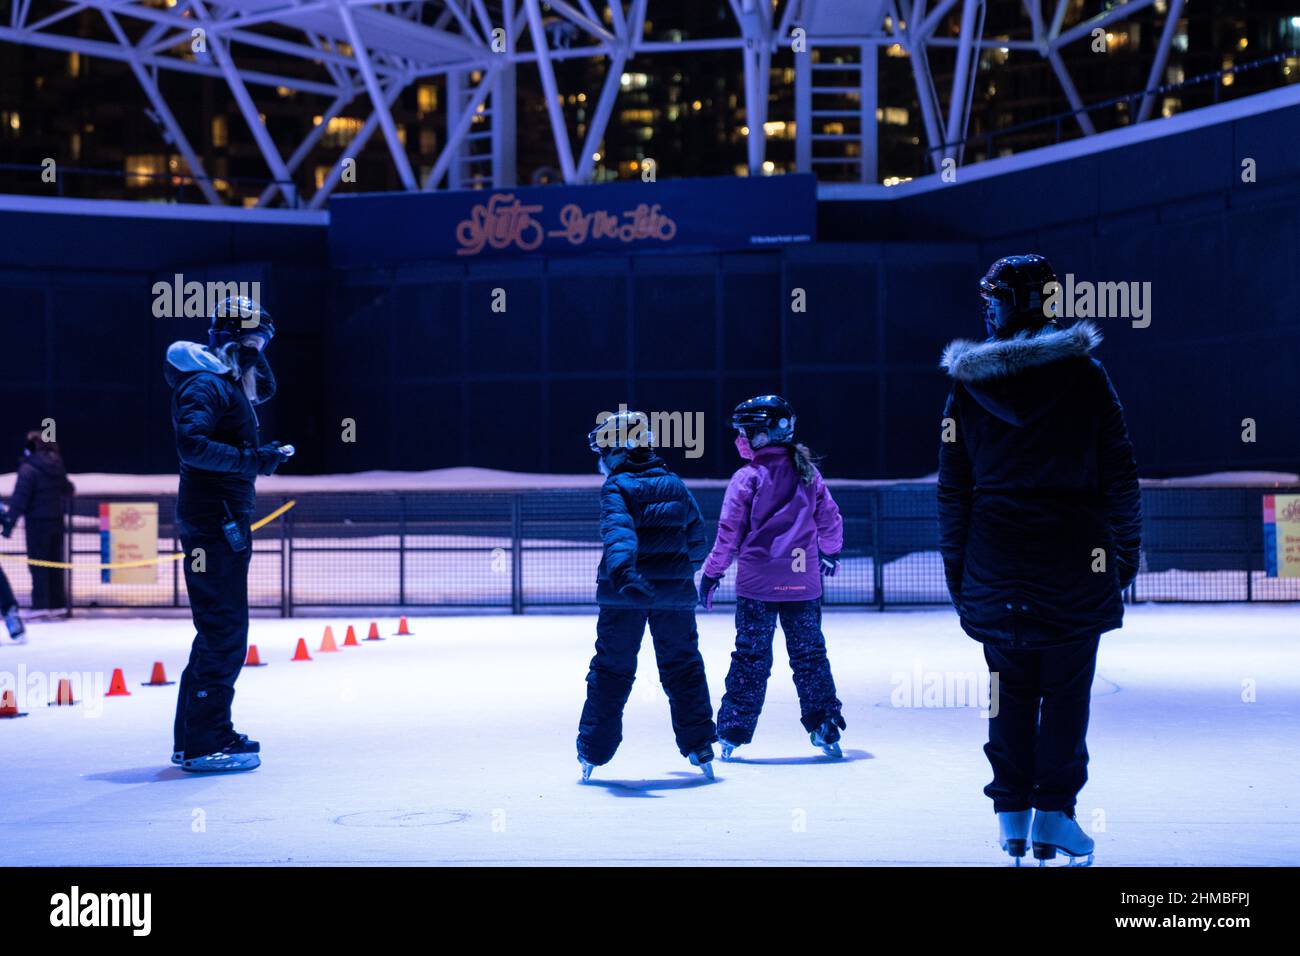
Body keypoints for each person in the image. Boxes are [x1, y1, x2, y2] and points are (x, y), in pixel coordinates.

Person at [937, 254, 1141, 866]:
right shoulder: (1087, 377)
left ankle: (1011, 820)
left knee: (1008, 692)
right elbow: (1120, 476)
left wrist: (962, 573)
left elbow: (953, 488)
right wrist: (1122, 560)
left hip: (995, 561)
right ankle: (1055, 816)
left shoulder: (966, 387)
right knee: (1066, 692)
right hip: (1077, 558)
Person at [165, 295, 291, 774]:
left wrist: (259, 455)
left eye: (265, 341)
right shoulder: (204, 383)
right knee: (224, 633)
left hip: (220, 520)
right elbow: (193, 445)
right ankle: (204, 740)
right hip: (212, 523)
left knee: (219, 631)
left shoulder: (221, 381)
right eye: (254, 340)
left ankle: (197, 734)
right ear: (232, 338)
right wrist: (252, 461)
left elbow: (252, 404)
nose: (260, 350)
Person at [698, 395, 846, 760]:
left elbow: (728, 534)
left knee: (750, 657)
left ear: (763, 436)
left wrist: (711, 573)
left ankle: (732, 730)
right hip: (803, 585)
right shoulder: (808, 473)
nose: (740, 440)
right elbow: (830, 520)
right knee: (810, 656)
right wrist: (830, 551)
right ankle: (824, 724)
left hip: (757, 588)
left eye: (745, 433)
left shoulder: (747, 478)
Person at [577, 410, 718, 781]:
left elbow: (618, 533)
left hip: (624, 596)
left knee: (612, 670)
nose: (601, 461)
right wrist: (676, 572)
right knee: (683, 666)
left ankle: (593, 750)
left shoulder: (617, 487)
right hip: (673, 596)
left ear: (620, 450)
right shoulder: (674, 483)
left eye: (603, 452)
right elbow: (696, 538)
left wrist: (625, 572)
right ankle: (700, 743)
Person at [1, 432, 75, 615]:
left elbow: (20, 498)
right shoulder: (58, 464)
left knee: (38, 564)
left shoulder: (29, 469)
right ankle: (57, 604)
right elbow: (68, 488)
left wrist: (9, 523)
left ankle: (41, 605)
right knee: (56, 563)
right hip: (57, 520)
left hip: (37, 523)